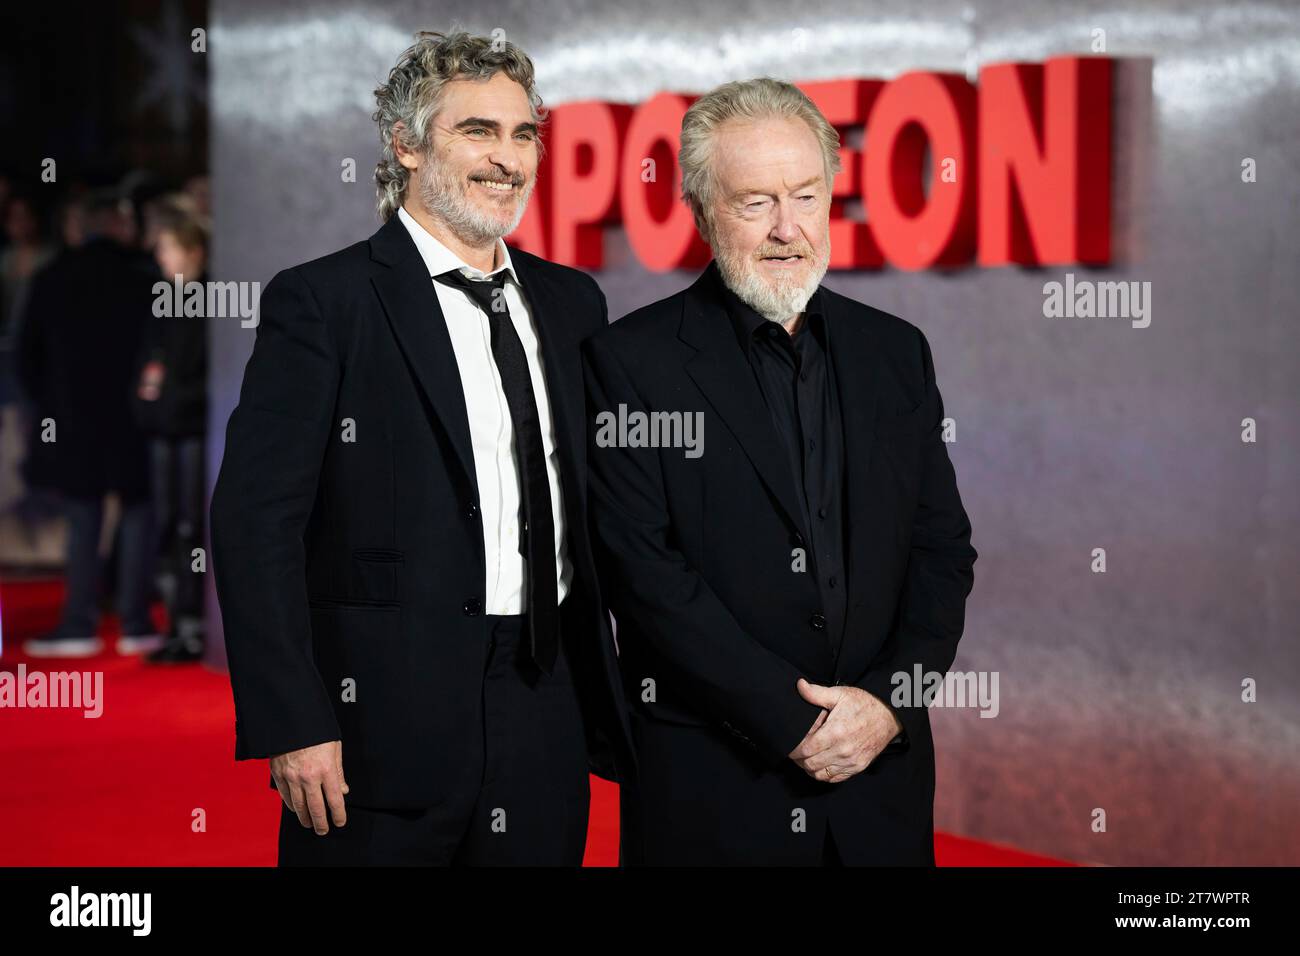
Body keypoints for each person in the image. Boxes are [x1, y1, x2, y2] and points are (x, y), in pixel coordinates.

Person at [210, 30, 633, 866]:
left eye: (523, 135)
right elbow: (255, 523)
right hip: (377, 719)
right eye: (477, 131)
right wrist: (294, 720)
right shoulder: (323, 303)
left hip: (543, 703)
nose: (507, 158)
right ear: (406, 145)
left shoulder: (572, 303)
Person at [583, 78, 978, 865]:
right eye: (755, 202)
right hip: (716, 788)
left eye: (805, 195)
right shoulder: (630, 363)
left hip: (881, 786)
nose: (787, 229)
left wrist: (889, 704)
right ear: (699, 212)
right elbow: (643, 579)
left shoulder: (896, 354)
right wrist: (793, 724)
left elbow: (941, 551)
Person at [17, 190, 160, 657]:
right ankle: (136, 623)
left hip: (73, 419)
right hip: (134, 418)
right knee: (139, 513)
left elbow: (26, 357)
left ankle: (79, 621)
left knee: (83, 519)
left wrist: (50, 405)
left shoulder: (51, 277)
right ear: (118, 225)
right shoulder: (146, 277)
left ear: (81, 227)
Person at [133, 195, 210, 664]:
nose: (161, 258)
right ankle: (176, 624)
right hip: (164, 432)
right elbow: (146, 363)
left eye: (168, 248)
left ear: (193, 251)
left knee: (191, 528)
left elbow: (213, 375)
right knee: (167, 528)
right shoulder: (162, 303)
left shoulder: (211, 304)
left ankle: (196, 625)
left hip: (194, 432)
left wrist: (166, 397)